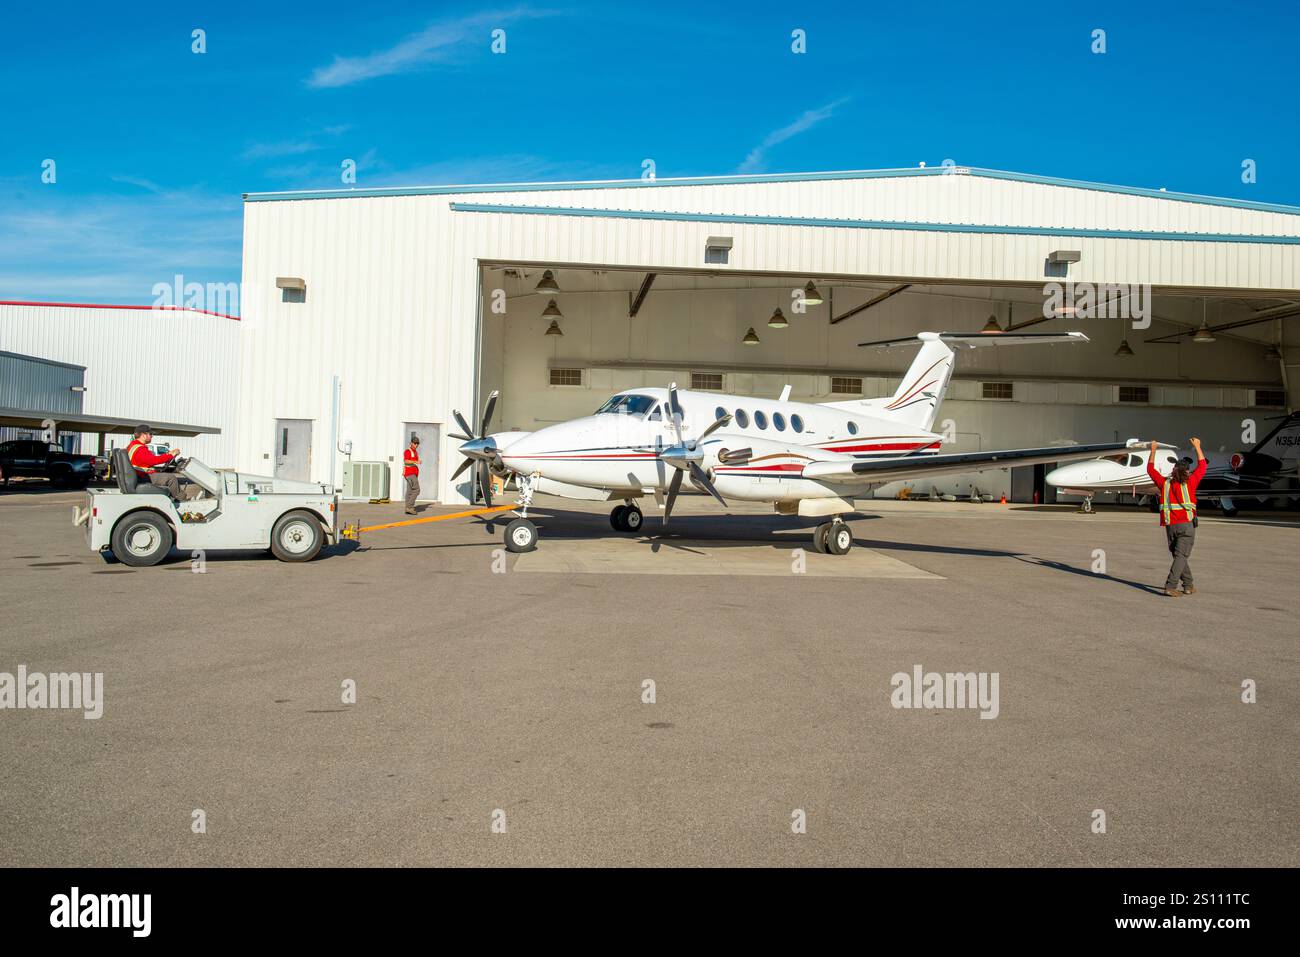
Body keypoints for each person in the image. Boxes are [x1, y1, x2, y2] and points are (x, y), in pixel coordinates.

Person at [1147, 437, 1207, 597]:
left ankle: (1188, 584)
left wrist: (1153, 450)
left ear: (1173, 470)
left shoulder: (1164, 484)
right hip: (1186, 525)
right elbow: (1203, 466)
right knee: (1181, 555)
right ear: (1187, 471)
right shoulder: (1191, 482)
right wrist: (1198, 447)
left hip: (1170, 525)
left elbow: (1151, 470)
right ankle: (1170, 586)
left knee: (1179, 555)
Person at [126, 425, 196, 500]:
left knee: (163, 475)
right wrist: (170, 455)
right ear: (143, 435)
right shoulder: (140, 448)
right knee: (171, 478)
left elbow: (145, 461)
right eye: (150, 434)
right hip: (142, 476)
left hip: (137, 475)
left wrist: (168, 454)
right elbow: (153, 460)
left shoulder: (133, 445)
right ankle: (182, 499)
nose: (152, 436)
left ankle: (171, 498)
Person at [402, 435, 421, 514]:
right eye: (414, 443)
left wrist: (417, 461)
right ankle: (410, 507)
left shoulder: (415, 452)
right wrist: (415, 462)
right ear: (411, 443)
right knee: (417, 490)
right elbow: (406, 461)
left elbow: (412, 461)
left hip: (412, 473)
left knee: (409, 491)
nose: (416, 445)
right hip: (410, 474)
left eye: (417, 443)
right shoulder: (408, 451)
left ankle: (407, 508)